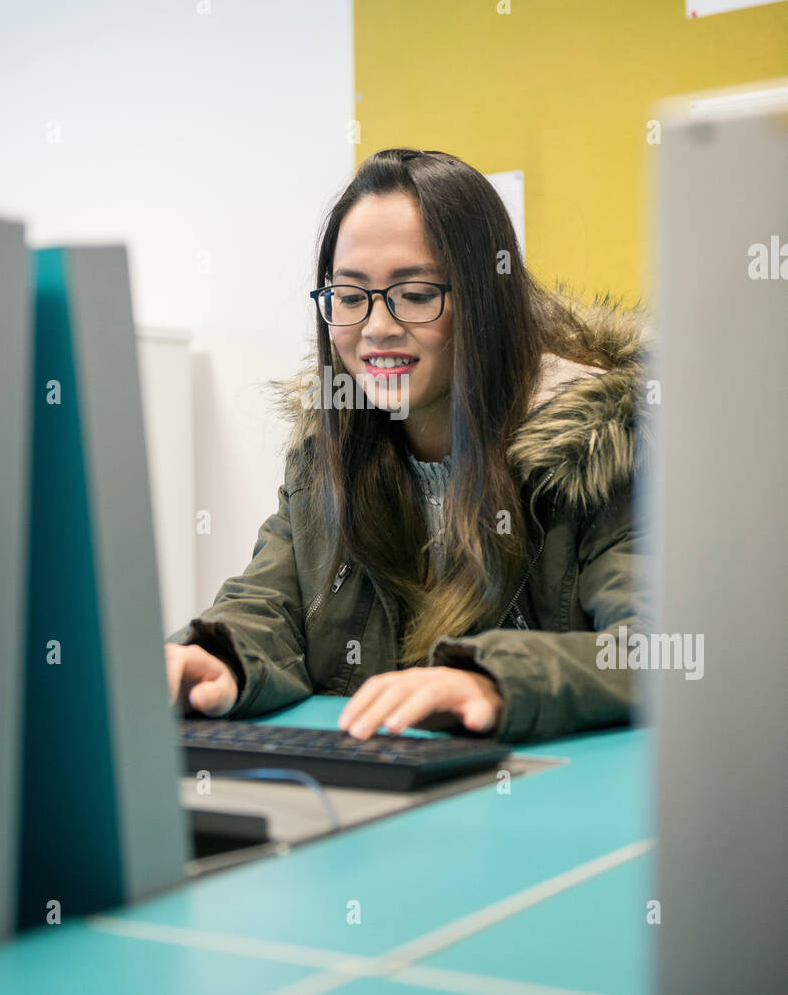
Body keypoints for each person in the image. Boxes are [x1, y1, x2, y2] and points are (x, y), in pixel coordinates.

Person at [165, 148, 654, 744]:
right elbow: (270, 606)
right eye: (349, 296)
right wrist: (217, 656)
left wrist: (493, 680)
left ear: (485, 301)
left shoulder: (601, 451)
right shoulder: (325, 456)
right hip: (371, 807)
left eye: (416, 293)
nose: (376, 328)